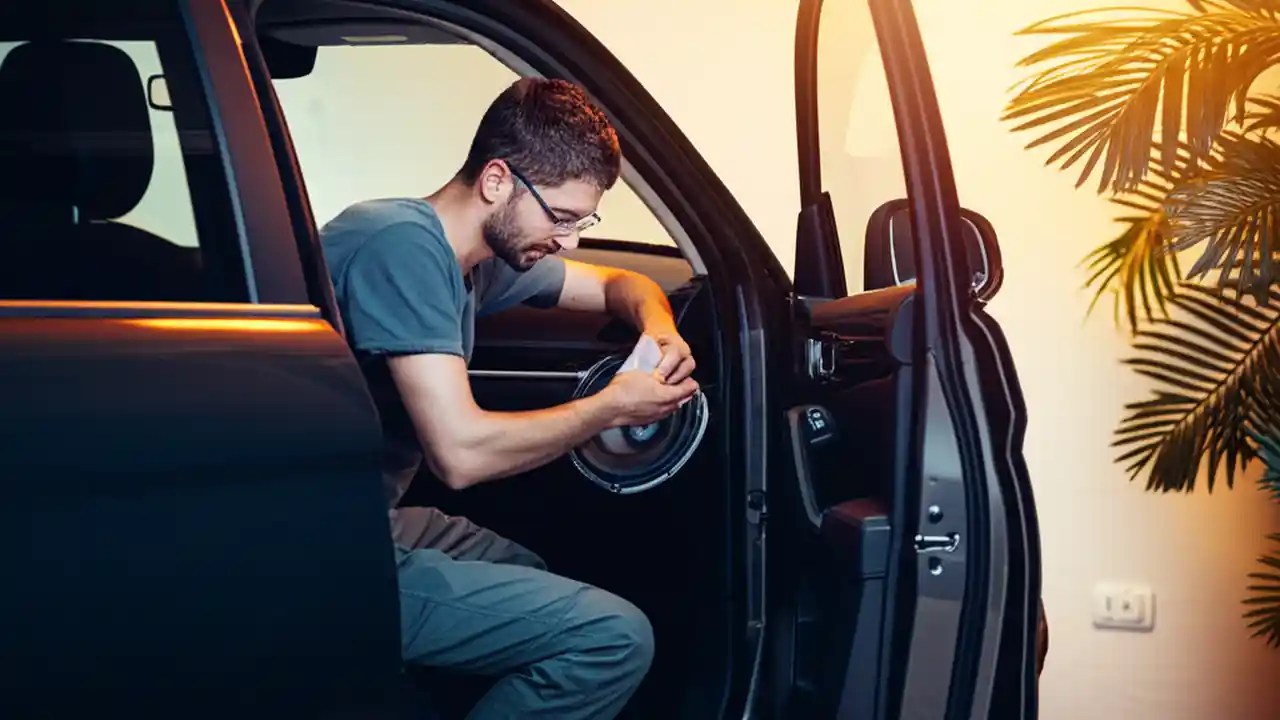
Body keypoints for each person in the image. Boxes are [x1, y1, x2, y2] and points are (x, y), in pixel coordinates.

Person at [319, 77, 700, 720]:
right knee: (613, 638)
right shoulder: (400, 245)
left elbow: (621, 283)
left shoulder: (473, 261)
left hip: (361, 519)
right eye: (561, 217)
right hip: (317, 548)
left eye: (584, 222)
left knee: (528, 568)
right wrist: (610, 407)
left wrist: (658, 329)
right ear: (497, 180)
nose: (570, 239)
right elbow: (461, 455)